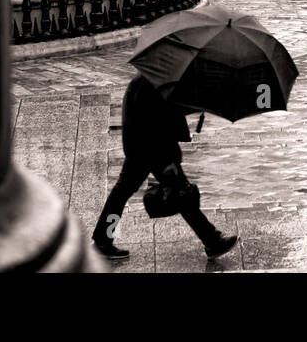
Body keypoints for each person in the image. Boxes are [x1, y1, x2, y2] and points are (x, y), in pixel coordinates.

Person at [91, 74, 238, 261]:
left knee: (124, 192)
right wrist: (168, 162)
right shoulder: (152, 85)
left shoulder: (148, 81)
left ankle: (103, 240)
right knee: (182, 193)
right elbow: (158, 123)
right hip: (153, 150)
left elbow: (168, 111)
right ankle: (211, 240)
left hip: (141, 148)